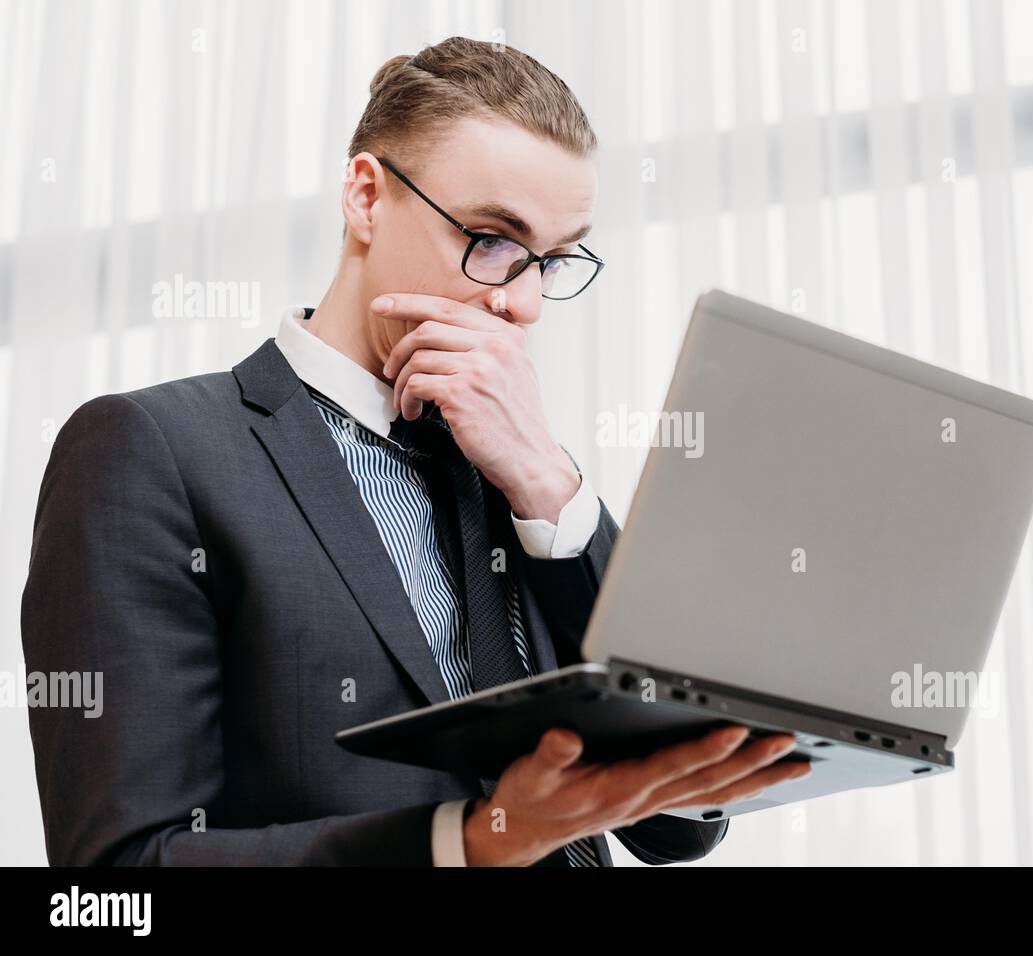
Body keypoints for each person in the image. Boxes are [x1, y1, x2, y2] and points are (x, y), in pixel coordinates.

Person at [21, 36, 809, 867]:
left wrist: (547, 483)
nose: (525, 303)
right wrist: (465, 846)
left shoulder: (521, 477)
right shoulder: (152, 453)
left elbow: (677, 824)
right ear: (365, 196)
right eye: (492, 239)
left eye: (555, 258)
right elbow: (118, 878)